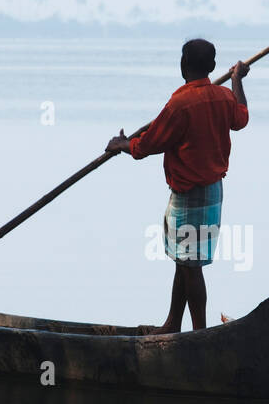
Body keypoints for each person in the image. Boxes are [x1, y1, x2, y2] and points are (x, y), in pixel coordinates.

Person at [106, 38, 249, 333]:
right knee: (184, 263)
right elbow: (241, 117)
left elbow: (149, 144)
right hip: (213, 192)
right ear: (211, 67)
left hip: (189, 194)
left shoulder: (179, 105)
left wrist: (123, 144)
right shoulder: (222, 97)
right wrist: (237, 81)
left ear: (183, 66)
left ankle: (199, 336)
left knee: (190, 266)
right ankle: (173, 323)